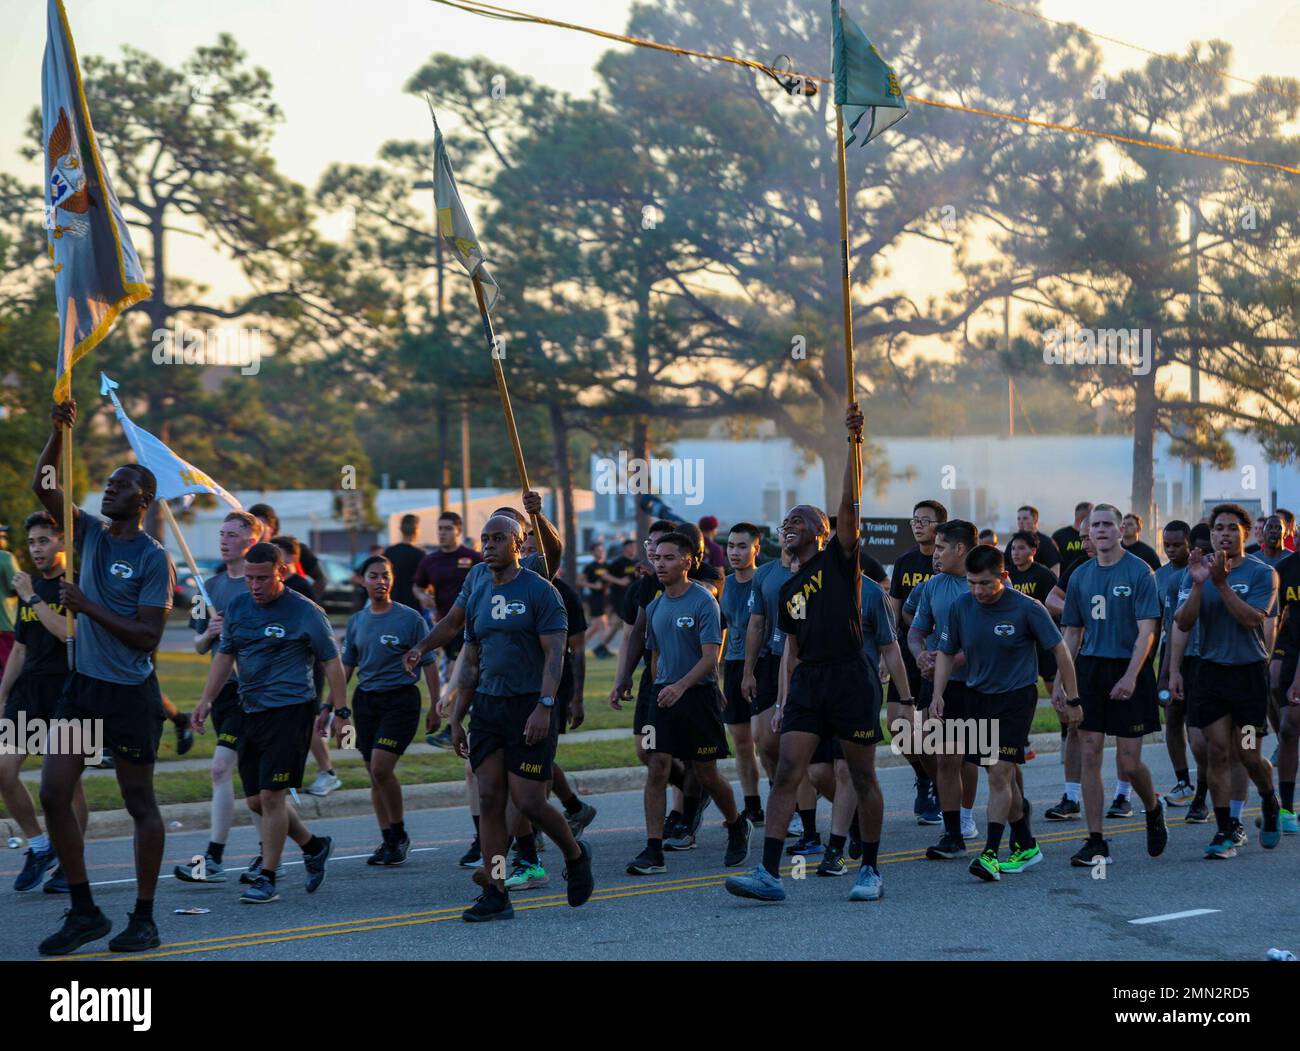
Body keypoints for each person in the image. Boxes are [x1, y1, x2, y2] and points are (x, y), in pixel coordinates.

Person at [726, 403, 888, 904]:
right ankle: (769, 873)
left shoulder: (841, 562)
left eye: (800, 518)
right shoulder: (785, 584)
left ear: (824, 531)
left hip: (851, 678)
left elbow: (850, 503)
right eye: (785, 520)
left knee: (860, 775)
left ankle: (871, 870)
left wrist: (853, 446)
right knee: (788, 771)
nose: (788, 523)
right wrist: (781, 696)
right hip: (808, 682)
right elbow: (791, 646)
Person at [32, 399, 174, 955]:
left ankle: (143, 918)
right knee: (52, 792)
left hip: (129, 696)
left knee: (139, 803)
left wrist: (87, 606)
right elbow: (45, 488)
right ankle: (84, 911)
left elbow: (147, 636)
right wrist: (58, 434)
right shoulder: (87, 531)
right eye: (108, 484)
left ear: (143, 499)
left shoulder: (152, 556)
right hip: (82, 688)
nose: (108, 490)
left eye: (120, 486)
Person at [449, 514, 593, 921]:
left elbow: (556, 655)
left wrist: (546, 706)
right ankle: (496, 891)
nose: (490, 545)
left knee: (529, 800)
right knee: (491, 798)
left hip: (530, 703)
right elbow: (471, 664)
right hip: (488, 708)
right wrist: (458, 716)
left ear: (519, 543)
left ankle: (576, 855)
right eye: (485, 539)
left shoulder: (541, 590)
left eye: (499, 538)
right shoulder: (478, 586)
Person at [192, 542, 341, 903]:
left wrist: (339, 708)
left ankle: (268, 877)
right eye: (249, 579)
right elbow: (225, 656)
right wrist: (206, 699)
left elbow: (332, 662)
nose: (255, 586)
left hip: (292, 711)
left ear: (282, 573)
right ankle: (313, 845)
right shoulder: (238, 607)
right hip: (250, 710)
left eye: (262, 578)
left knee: (273, 796)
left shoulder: (305, 612)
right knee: (256, 801)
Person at [935, 544, 1078, 880]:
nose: (978, 591)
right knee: (1003, 777)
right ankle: (1027, 844)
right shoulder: (961, 606)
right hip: (978, 697)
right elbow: (945, 652)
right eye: (972, 583)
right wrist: (937, 695)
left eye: (985, 583)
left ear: (1003, 577)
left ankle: (990, 854)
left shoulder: (1027, 608)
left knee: (1000, 773)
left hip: (1016, 698)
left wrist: (1073, 697)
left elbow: (1061, 651)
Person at [624, 531, 752, 876]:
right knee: (657, 767)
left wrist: (681, 686)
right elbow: (655, 655)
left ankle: (737, 823)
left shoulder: (703, 601)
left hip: (697, 695)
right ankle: (653, 850)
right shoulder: (654, 605)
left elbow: (711, 657)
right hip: (664, 696)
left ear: (687, 562)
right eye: (657, 558)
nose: (660, 564)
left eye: (668, 558)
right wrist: (656, 687)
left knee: (706, 773)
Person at [1056, 504, 1168, 867]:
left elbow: (1148, 632)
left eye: (1108, 524)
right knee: (1089, 751)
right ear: (1087, 533)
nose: (1101, 530)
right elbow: (1071, 633)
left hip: (1128, 666)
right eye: (1095, 526)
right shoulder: (1080, 576)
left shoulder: (1140, 571)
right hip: (1091, 668)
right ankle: (1095, 840)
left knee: (1129, 762)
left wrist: (1132, 675)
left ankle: (1153, 807)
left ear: (1122, 530)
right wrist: (1061, 679)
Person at [1170, 503, 1282, 858]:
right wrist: (1202, 585)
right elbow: (1184, 623)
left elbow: (1252, 620)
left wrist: (1222, 583)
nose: (1224, 534)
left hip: (1248, 675)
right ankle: (1226, 830)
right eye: (1218, 528)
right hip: (1210, 673)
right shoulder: (1194, 574)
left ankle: (1269, 798)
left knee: (1248, 754)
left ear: (1245, 534)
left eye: (1232, 528)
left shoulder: (1263, 574)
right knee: (1217, 753)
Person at [0, 512, 87, 893]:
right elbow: (20, 647)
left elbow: (69, 636)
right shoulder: (29, 588)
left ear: (63, 542)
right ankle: (39, 846)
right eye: (32, 542)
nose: (36, 548)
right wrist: (2, 694)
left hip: (68, 693)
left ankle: (72, 863)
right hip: (28, 691)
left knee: (69, 786)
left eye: (44, 541)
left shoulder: (75, 587)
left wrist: (33, 597)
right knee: (2, 769)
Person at [173, 511, 261, 885]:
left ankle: (232, 856)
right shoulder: (207, 588)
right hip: (223, 691)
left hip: (255, 692)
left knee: (235, 773)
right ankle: (298, 847)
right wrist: (209, 632)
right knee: (236, 774)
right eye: (221, 534)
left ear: (250, 542)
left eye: (232, 534)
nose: (223, 540)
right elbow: (196, 646)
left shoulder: (260, 586)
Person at [343, 555, 440, 865]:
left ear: (392, 579)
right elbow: (347, 664)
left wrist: (436, 706)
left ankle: (399, 835)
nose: (380, 581)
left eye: (385, 575)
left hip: (401, 701)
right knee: (374, 774)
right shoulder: (357, 620)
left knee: (381, 768)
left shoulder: (411, 619)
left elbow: (429, 665)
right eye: (373, 576)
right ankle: (388, 841)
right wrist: (333, 706)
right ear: (363, 580)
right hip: (366, 701)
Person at [907, 519, 983, 854]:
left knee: (973, 760)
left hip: (975, 684)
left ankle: (963, 822)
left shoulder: (980, 585)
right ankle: (953, 826)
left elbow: (984, 642)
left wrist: (949, 660)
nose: (935, 554)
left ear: (960, 549)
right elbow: (915, 631)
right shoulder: (932, 587)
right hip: (937, 681)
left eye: (940, 548)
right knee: (932, 751)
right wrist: (922, 655)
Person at [889, 500, 946, 823]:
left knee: (931, 729)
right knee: (898, 726)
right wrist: (889, 651)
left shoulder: (948, 564)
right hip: (908, 652)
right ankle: (924, 776)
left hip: (941, 654)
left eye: (925, 520)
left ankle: (941, 789)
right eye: (914, 520)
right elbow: (895, 610)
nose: (918, 525)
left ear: (940, 526)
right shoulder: (904, 561)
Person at [271, 535, 338, 797]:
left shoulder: (301, 586)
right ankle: (291, 778)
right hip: (287, 667)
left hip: (310, 666)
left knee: (308, 722)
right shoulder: (275, 589)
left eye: (280, 554)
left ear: (292, 558)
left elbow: (316, 630)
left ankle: (328, 772)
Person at [413, 511, 483, 744]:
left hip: (470, 627)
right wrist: (423, 596)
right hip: (446, 627)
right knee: (452, 677)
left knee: (456, 673)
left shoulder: (473, 557)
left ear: (458, 530)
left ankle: (452, 727)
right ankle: (461, 723)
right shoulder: (429, 560)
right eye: (439, 528)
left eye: (447, 528)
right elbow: (418, 586)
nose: (442, 533)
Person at [719, 523, 764, 825]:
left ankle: (792, 804)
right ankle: (752, 805)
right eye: (731, 546)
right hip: (733, 666)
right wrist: (716, 672)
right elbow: (721, 629)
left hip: (764, 665)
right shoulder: (725, 584)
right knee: (742, 741)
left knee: (770, 740)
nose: (735, 552)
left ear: (755, 549)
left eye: (742, 546)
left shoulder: (766, 580)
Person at [1153, 521, 1197, 809]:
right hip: (1171, 654)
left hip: (1200, 656)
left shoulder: (1198, 573)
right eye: (1166, 545)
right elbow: (1162, 624)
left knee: (1200, 727)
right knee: (1172, 716)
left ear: (1189, 544)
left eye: (1177, 544)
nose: (1170, 550)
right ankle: (1183, 780)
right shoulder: (1159, 576)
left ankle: (1205, 786)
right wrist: (1161, 668)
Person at [247, 503, 326, 598]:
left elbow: (320, 579)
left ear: (273, 527)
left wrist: (310, 602)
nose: (257, 532)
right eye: (253, 528)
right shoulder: (248, 554)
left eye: (261, 527)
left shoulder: (294, 549)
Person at [1274, 546, 1300, 832]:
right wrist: (1277, 656)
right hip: (1290, 654)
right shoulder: (1284, 569)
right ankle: (1286, 808)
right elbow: (1276, 618)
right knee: (1288, 730)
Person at [383, 514, 427, 613]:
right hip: (413, 607)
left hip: (391, 604)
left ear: (401, 529)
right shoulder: (420, 554)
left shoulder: (389, 552)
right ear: (416, 530)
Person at [1004, 506, 1061, 576]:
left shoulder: (1047, 543)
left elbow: (1055, 572)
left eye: (1025, 518)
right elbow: (1006, 568)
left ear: (1035, 520)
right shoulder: (1012, 543)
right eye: (1018, 519)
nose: (1021, 522)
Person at [581, 541, 614, 658]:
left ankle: (577, 647)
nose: (601, 552)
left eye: (602, 550)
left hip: (606, 599)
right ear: (593, 552)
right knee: (603, 625)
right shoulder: (590, 567)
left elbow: (611, 579)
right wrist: (594, 585)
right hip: (595, 599)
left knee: (594, 627)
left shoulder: (606, 566)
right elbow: (580, 581)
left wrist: (608, 584)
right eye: (598, 550)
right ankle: (603, 650)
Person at [0, 524, 17, 675]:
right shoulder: (5, 557)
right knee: (9, 674)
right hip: (4, 626)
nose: (4, 539)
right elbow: (18, 588)